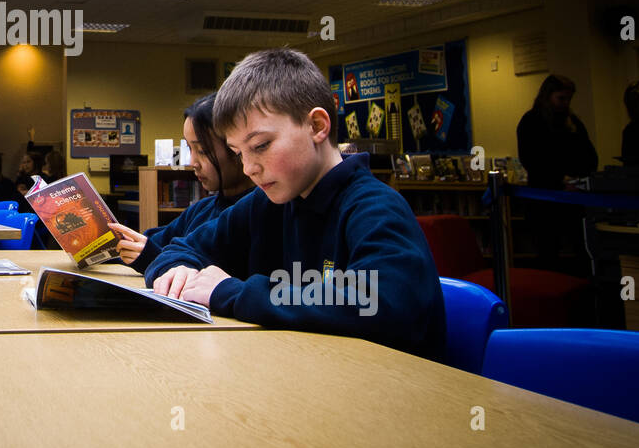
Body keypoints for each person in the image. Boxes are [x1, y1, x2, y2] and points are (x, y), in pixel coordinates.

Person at [143, 48, 446, 362]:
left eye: (261, 146)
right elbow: (179, 249)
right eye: (238, 153)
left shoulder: (375, 207)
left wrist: (232, 292)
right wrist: (176, 273)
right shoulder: (267, 203)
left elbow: (381, 302)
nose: (248, 168)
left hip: (392, 389)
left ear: (316, 126)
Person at [111, 94, 253, 275]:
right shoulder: (202, 209)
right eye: (189, 149)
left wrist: (152, 258)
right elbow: (156, 240)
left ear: (236, 148)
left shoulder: (253, 212)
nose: (193, 162)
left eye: (202, 150)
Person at [517, 74, 598, 269]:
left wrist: (580, 179)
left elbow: (590, 157)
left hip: (573, 196)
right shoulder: (532, 121)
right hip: (545, 198)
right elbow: (531, 160)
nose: (565, 103)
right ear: (548, 96)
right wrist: (560, 181)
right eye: (560, 98)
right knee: (548, 253)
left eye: (568, 99)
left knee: (581, 251)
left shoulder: (573, 123)